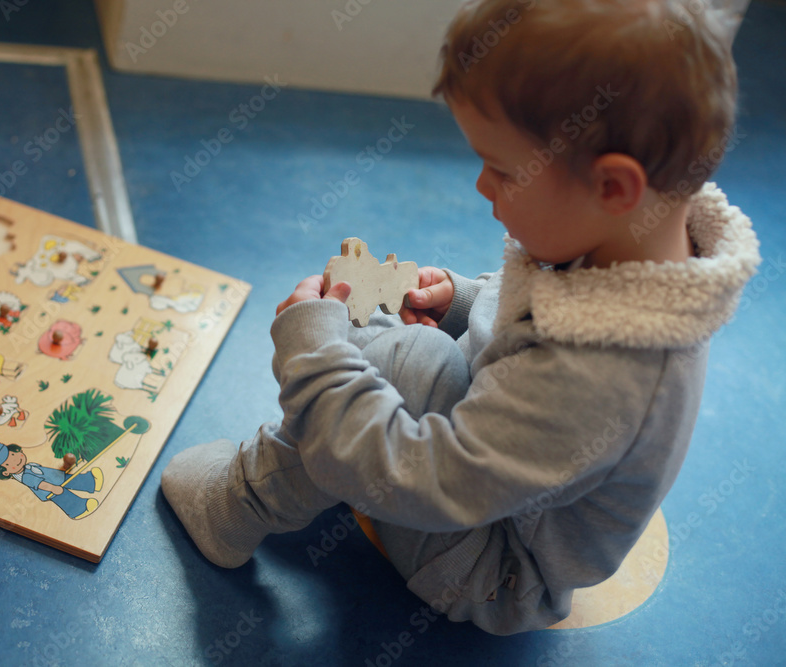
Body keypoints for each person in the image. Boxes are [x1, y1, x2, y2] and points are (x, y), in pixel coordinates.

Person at [161, 0, 761, 634]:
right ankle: (320, 447)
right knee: (371, 335)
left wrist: (310, 358)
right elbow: (534, 324)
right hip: (499, 499)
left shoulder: (605, 375)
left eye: (504, 170)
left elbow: (424, 483)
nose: (482, 185)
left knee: (384, 358)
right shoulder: (637, 249)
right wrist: (467, 302)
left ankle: (240, 504)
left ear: (614, 188)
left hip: (493, 571)